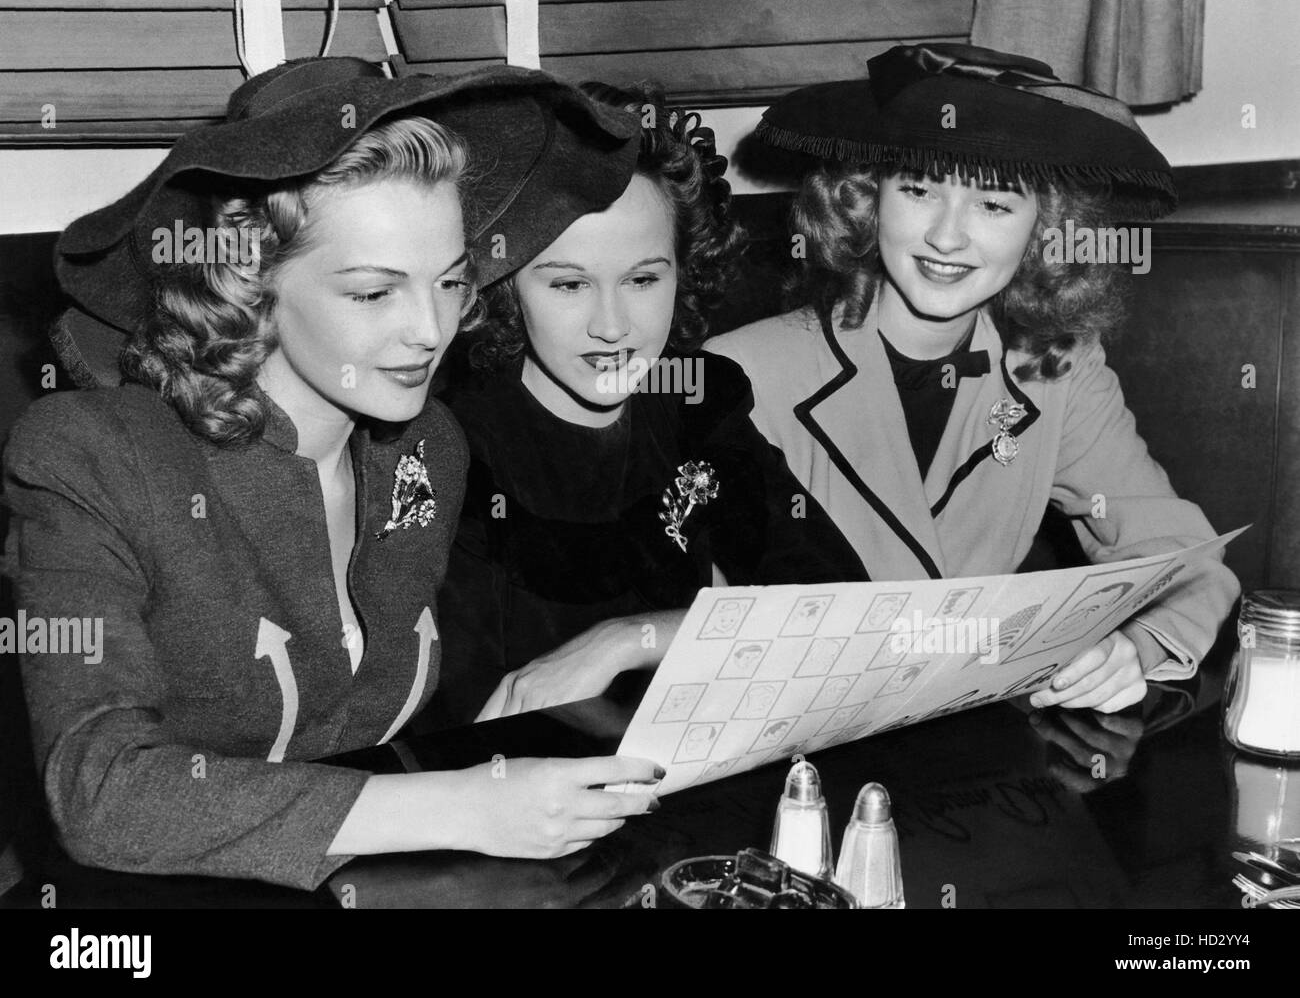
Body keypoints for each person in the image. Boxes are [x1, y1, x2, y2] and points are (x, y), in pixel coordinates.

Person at [1, 57, 662, 891]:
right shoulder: (89, 455)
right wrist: (457, 805)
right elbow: (100, 790)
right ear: (251, 283)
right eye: (373, 292)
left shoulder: (426, 448)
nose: (430, 329)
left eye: (451, 280)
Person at [705, 43, 1240, 715]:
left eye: (994, 205)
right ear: (868, 200)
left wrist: (1139, 644)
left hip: (975, 771)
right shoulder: (739, 377)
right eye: (919, 189)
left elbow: (1184, 556)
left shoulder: (1057, 369)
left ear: (1044, 231)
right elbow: (694, 623)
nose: (948, 237)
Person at [429, 87, 869, 726]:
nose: (613, 327)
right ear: (503, 288)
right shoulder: (454, 448)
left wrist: (630, 638)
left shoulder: (693, 406)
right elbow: (460, 716)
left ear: (683, 271)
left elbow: (840, 605)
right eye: (569, 284)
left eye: (642, 279)